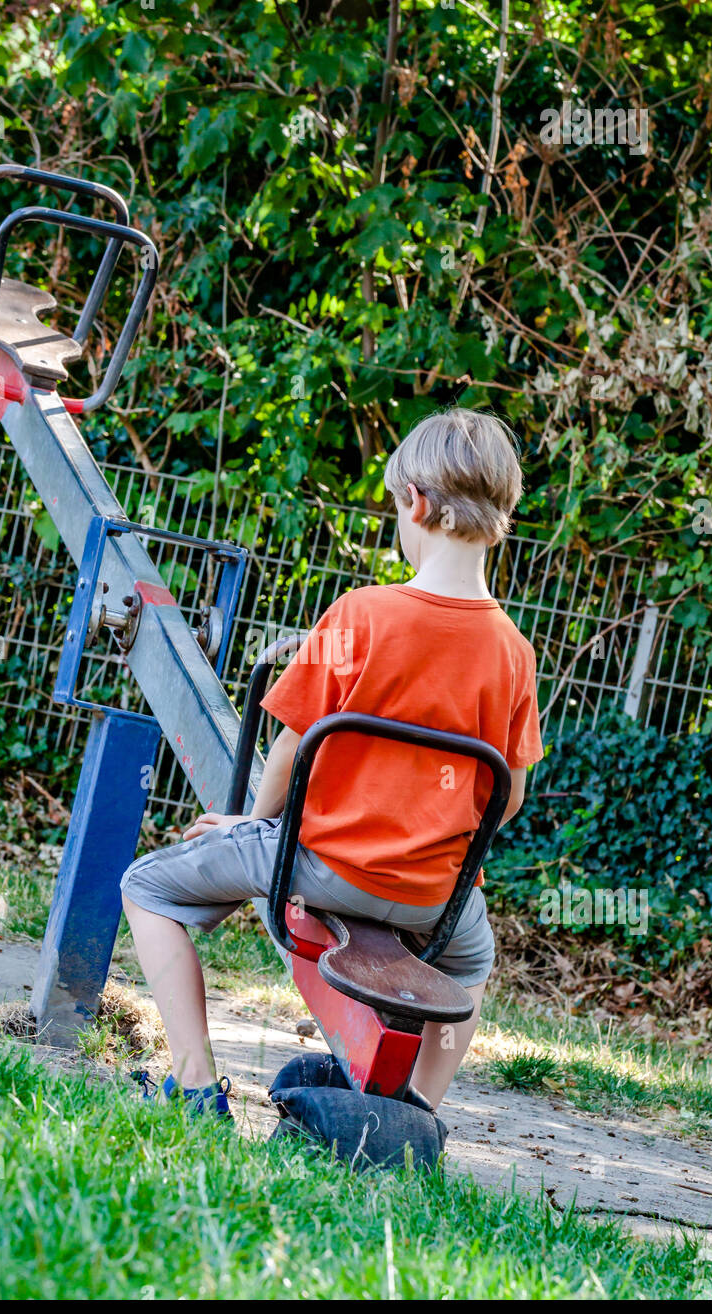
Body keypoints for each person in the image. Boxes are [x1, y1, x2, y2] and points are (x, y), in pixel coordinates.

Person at [121, 408, 544, 1120]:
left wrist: (248, 824)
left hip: (320, 864)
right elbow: (507, 796)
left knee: (148, 890)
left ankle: (195, 1087)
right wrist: (437, 848)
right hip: (434, 897)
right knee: (469, 966)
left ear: (415, 501)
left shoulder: (358, 614)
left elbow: (291, 745)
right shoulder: (513, 651)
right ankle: (416, 1115)